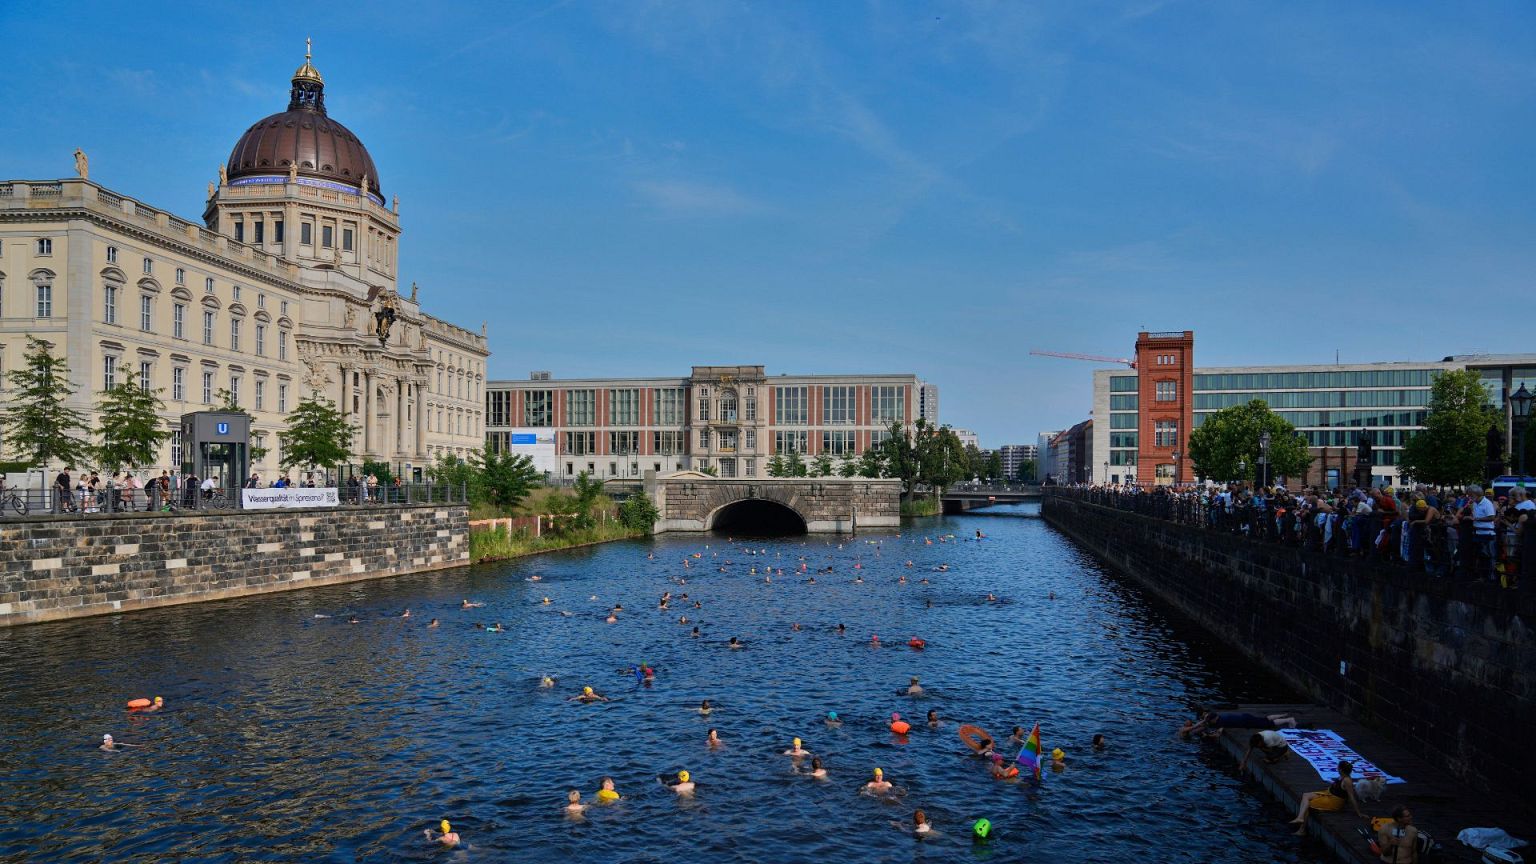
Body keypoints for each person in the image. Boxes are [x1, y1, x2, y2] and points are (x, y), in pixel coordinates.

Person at [1289, 760, 1368, 835]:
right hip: (1328, 794)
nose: (1337, 768)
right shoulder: (1342, 775)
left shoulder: (1347, 781)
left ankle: (1302, 830)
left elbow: (1351, 796)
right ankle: (1300, 817)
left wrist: (1359, 813)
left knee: (1308, 804)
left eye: (1338, 767)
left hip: (1334, 801)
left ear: (1341, 770)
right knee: (1305, 795)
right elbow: (1349, 765)